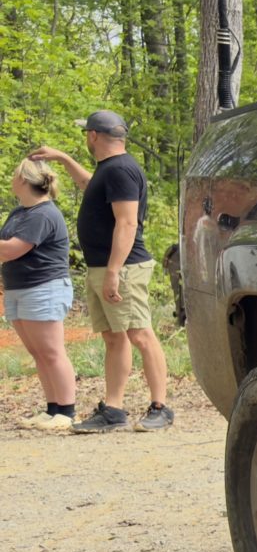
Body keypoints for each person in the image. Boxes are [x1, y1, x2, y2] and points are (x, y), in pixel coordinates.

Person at [34, 110, 174, 432]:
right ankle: (114, 410)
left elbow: (126, 222)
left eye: (86, 134)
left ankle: (161, 406)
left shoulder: (121, 170)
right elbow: (89, 185)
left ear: (94, 136)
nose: (86, 138)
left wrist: (114, 271)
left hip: (123, 268)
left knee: (139, 333)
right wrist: (64, 159)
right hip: (104, 267)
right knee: (114, 338)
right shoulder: (108, 170)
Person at [2, 156, 78, 430]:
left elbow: (12, 249)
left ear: (23, 179)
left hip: (43, 288)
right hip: (20, 289)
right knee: (38, 352)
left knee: (52, 351)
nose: (12, 179)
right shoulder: (20, 212)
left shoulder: (44, 213)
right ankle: (52, 409)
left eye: (14, 175)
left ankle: (67, 412)